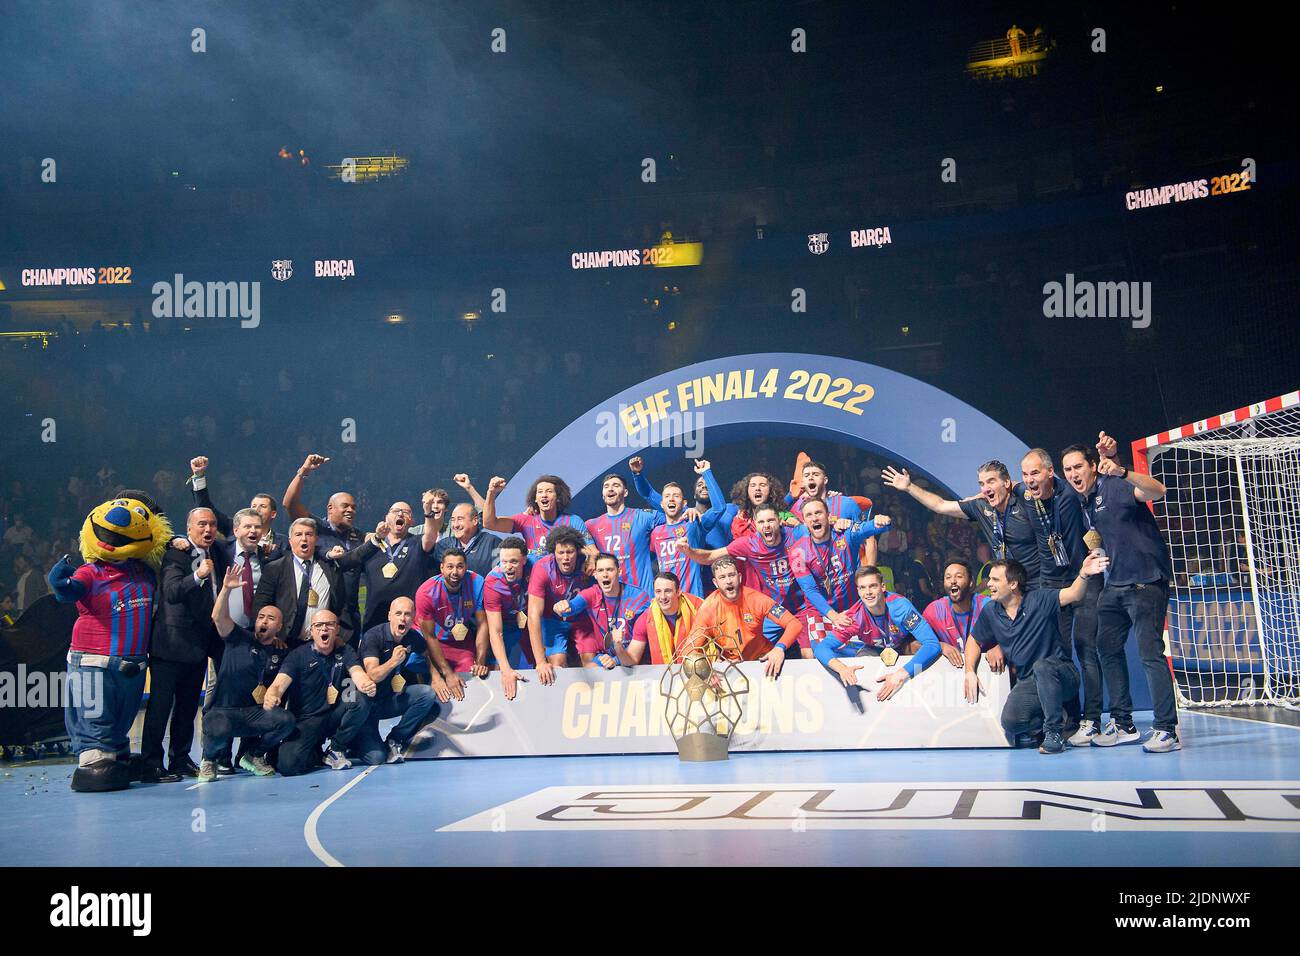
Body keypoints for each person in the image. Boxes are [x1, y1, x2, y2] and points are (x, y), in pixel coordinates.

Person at [1063, 432, 1181, 752]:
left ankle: (1166, 729)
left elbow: (1159, 490)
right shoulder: (1086, 501)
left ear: (1093, 466)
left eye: (1078, 467)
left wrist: (1122, 470)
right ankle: (1124, 724)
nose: (1073, 474)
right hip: (1115, 585)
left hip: (1145, 581)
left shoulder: (1115, 485)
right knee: (1107, 648)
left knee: (1150, 654)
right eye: (1067, 470)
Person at [963, 554, 1108, 754]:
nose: (989, 584)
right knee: (1011, 722)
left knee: (1042, 667)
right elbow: (974, 640)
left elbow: (1074, 594)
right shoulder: (991, 611)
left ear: (1013, 584)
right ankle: (1058, 715)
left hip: (1062, 674)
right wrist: (969, 671)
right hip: (1029, 682)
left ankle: (1054, 733)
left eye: (995, 580)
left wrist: (1083, 574)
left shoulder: (1039, 599)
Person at [1020, 447, 1102, 745]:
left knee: (1086, 650)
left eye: (1035, 473)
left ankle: (1092, 719)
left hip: (1081, 580)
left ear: (1049, 473)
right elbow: (999, 491)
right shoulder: (1025, 495)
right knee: (1056, 655)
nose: (1029, 480)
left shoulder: (1070, 497)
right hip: (1050, 585)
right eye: (1025, 475)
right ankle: (1070, 717)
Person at [142, 507, 228, 782]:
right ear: (189, 528)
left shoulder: (216, 552)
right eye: (202, 524)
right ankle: (151, 764)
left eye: (212, 524)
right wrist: (198, 575)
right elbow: (172, 591)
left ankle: (180, 758)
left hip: (198, 645)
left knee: (188, 707)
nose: (208, 529)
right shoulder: (176, 553)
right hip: (170, 646)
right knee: (160, 707)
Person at [198, 565, 295, 782]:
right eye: (261, 616)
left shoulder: (282, 651)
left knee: (286, 720)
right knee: (217, 724)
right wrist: (226, 589)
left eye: (270, 618)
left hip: (254, 713)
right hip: (225, 710)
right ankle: (209, 759)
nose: (264, 621)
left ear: (279, 626)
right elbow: (218, 617)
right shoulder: (238, 637)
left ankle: (254, 755)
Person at [883, 461, 1041, 587]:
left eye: (991, 481)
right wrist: (910, 487)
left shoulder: (1023, 502)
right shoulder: (980, 507)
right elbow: (940, 505)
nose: (985, 489)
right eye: (982, 484)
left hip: (1036, 583)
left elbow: (1028, 485)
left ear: (1006, 482)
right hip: (1008, 586)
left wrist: (979, 494)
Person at [263, 610, 377, 774]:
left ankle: (336, 748)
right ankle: (314, 753)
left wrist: (366, 683)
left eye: (329, 625)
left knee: (359, 698)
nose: (324, 629)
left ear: (337, 629)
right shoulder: (297, 655)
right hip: (307, 720)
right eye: (319, 625)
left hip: (334, 716)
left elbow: (357, 672)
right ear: (311, 631)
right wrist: (271, 695)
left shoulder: (345, 651)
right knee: (289, 766)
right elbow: (279, 684)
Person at [812, 566, 943, 700]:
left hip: (903, 644)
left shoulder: (901, 607)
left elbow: (932, 644)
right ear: (858, 591)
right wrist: (842, 668)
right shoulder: (854, 617)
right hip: (874, 649)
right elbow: (821, 648)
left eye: (873, 586)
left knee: (921, 649)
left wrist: (899, 675)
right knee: (862, 662)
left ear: (883, 587)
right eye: (862, 588)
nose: (868, 592)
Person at [786, 497, 891, 645]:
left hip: (853, 607)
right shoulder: (798, 552)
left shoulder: (846, 534)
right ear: (804, 521)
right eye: (809, 515)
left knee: (864, 652)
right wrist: (834, 616)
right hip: (821, 612)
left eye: (818, 513)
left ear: (829, 516)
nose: (814, 518)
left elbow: (872, 527)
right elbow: (810, 590)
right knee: (823, 657)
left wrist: (882, 521)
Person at [679, 556, 801, 678]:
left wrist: (779, 648)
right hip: (730, 668)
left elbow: (794, 624)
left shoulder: (757, 599)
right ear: (715, 583)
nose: (728, 581)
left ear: (740, 577)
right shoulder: (707, 609)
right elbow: (688, 651)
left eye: (731, 575)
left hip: (762, 661)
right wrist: (706, 673)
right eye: (722, 577)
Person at [356, 597, 439, 764]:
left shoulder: (412, 636)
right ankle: (355, 741)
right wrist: (393, 661)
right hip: (366, 705)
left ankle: (395, 739)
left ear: (413, 618)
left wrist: (436, 677)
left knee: (428, 696)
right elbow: (372, 675)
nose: (403, 618)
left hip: (389, 699)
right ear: (389, 616)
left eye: (408, 614)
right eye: (398, 614)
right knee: (376, 758)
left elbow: (428, 654)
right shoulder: (373, 637)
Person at [254, 517, 350, 646]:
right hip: (282, 642)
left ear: (316, 539)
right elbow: (261, 605)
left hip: (320, 644)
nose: (304, 538)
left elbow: (341, 605)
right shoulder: (274, 568)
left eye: (309, 534)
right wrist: (271, 635)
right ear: (290, 540)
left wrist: (339, 635)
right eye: (298, 534)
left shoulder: (330, 567)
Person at [415, 546, 487, 703]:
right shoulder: (426, 592)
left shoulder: (477, 582)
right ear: (441, 568)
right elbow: (429, 637)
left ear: (466, 567)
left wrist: (480, 661)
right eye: (450, 566)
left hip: (460, 641)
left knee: (469, 680)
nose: (455, 572)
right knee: (413, 660)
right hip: (432, 641)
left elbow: (483, 625)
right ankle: (428, 683)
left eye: (460, 566)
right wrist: (445, 673)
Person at [629, 456, 709, 596]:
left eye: (676, 496)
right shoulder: (660, 528)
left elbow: (719, 509)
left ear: (684, 502)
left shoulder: (694, 522)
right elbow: (649, 494)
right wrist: (638, 475)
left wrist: (707, 472)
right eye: (667, 496)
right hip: (670, 597)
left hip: (698, 593)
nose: (671, 499)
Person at [555, 553, 652, 668]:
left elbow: (634, 657)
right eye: (600, 570)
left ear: (619, 572)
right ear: (595, 575)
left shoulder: (638, 598)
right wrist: (561, 606)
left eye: (610, 570)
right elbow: (571, 607)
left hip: (636, 660)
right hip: (608, 656)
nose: (605, 574)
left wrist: (615, 660)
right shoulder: (592, 593)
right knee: (590, 668)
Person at [525, 525, 592, 684]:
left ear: (578, 551)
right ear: (553, 553)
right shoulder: (542, 568)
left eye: (570, 552)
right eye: (561, 552)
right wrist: (540, 662)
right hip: (552, 620)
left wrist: (593, 558)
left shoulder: (588, 565)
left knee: (591, 663)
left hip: (581, 619)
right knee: (557, 665)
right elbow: (534, 616)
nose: (565, 557)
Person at [188, 455, 286, 559]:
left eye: (262, 506)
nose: (256, 509)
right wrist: (199, 477)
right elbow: (206, 509)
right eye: (254, 506)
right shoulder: (234, 526)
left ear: (273, 514)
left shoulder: (284, 542)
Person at [481, 473, 594, 559]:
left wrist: (589, 560)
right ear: (535, 498)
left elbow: (593, 552)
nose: (544, 495)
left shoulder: (573, 521)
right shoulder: (526, 520)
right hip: (535, 582)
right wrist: (491, 493)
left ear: (558, 497)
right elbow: (489, 524)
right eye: (540, 492)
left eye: (549, 491)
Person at [585, 472, 666, 590]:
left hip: (643, 598)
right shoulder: (591, 525)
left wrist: (686, 510)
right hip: (612, 600)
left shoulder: (642, 516)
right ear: (603, 495)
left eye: (616, 485)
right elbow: (573, 539)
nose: (610, 489)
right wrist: (591, 555)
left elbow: (670, 514)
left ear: (626, 492)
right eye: (606, 486)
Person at [482, 536, 534, 699]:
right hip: (505, 624)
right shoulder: (492, 581)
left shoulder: (536, 566)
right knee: (498, 670)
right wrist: (505, 671)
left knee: (545, 663)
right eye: (504, 562)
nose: (508, 567)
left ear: (524, 560)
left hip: (531, 620)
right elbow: (495, 631)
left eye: (513, 562)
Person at [921, 558, 995, 669]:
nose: (953, 581)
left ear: (971, 582)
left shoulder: (986, 606)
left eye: (959, 576)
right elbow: (913, 644)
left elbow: (1011, 633)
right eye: (948, 577)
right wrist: (939, 646)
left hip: (987, 670)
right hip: (950, 674)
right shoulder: (934, 610)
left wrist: (999, 647)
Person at [627, 571, 703, 665]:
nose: (663, 597)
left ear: (678, 591)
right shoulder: (646, 618)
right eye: (658, 591)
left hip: (700, 667)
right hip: (664, 674)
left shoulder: (698, 608)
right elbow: (632, 659)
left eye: (668, 591)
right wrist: (619, 648)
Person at [433, 502, 500, 578]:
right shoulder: (443, 546)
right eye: (453, 520)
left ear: (475, 521)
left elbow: (501, 577)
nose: (455, 525)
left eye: (460, 519)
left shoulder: (493, 543)